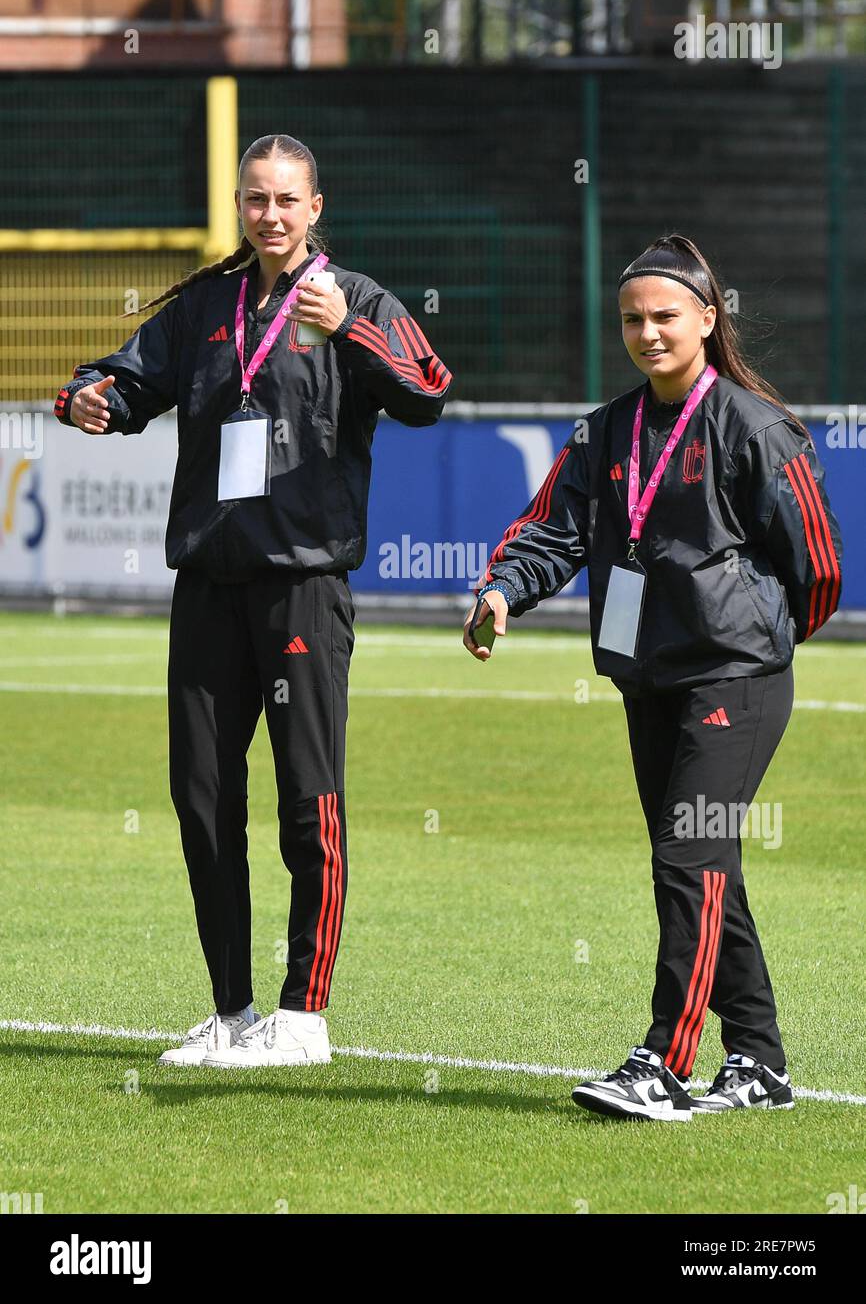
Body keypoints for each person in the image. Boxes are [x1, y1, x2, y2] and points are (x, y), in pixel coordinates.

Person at [55, 133, 453, 1069]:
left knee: (308, 796)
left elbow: (430, 392)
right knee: (199, 795)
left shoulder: (352, 301)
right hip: (206, 581)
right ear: (240, 207)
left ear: (317, 209)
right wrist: (89, 396)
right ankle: (232, 1012)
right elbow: (126, 378)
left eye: (286, 200)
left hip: (302, 583)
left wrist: (351, 325)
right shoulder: (205, 305)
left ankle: (303, 1015)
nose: (269, 215)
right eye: (254, 199)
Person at [463, 234, 842, 1122]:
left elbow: (817, 567)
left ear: (709, 319)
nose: (647, 332)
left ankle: (666, 1062)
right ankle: (758, 1062)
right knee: (707, 870)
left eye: (665, 315)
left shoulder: (755, 427)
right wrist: (502, 589)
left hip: (734, 681)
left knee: (688, 857)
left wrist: (759, 643)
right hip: (650, 676)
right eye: (632, 318)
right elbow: (552, 528)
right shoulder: (606, 429)